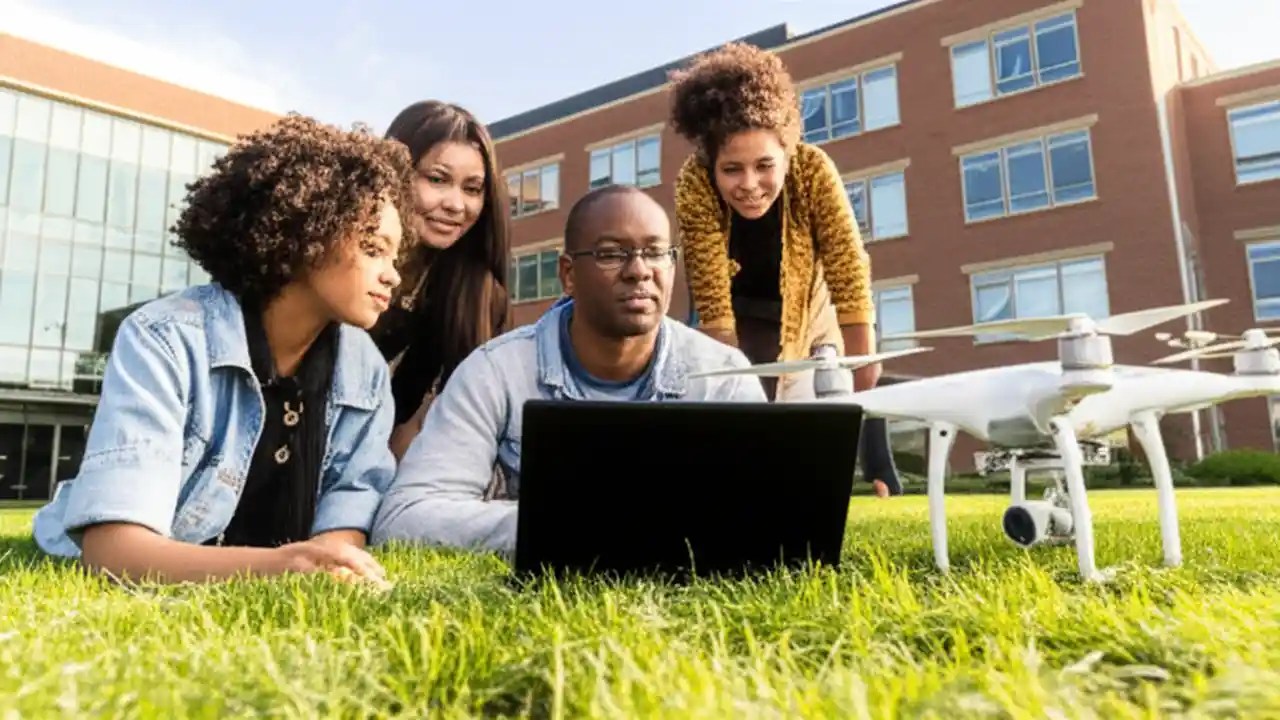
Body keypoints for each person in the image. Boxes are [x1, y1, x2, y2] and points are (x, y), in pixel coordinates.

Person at [30, 114, 415, 587]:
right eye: (374, 248)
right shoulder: (165, 338)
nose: (393, 274)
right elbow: (112, 550)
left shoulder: (364, 369)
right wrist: (283, 568)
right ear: (305, 234)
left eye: (396, 257)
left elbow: (345, 519)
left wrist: (332, 564)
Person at [370, 185, 767, 556]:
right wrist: (564, 525)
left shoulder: (723, 375)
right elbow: (405, 517)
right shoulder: (496, 372)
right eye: (611, 254)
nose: (639, 270)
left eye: (656, 252)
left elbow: (769, 512)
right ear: (568, 275)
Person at [667, 42, 903, 497]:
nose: (750, 185)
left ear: (788, 152)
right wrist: (728, 376)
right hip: (740, 307)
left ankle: (866, 478)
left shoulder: (814, 170)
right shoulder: (693, 184)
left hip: (812, 306)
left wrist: (862, 358)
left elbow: (847, 264)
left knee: (823, 389)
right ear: (711, 163)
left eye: (764, 166)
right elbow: (710, 292)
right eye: (732, 169)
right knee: (740, 394)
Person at [366, 101, 512, 462]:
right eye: (437, 179)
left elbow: (424, 428)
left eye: (472, 188)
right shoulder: (339, 262)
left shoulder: (477, 294)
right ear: (394, 174)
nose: (455, 205)